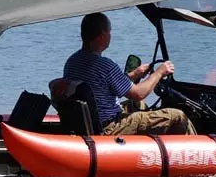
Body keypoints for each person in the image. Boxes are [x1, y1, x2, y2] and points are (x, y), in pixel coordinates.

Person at [62, 12, 196, 136]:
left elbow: (102, 85)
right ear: (103, 35)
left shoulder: (72, 62)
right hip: (109, 126)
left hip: (91, 120)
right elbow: (138, 93)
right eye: (110, 32)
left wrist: (136, 74)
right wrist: (160, 72)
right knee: (178, 117)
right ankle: (198, 155)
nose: (110, 35)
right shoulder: (104, 65)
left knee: (139, 105)